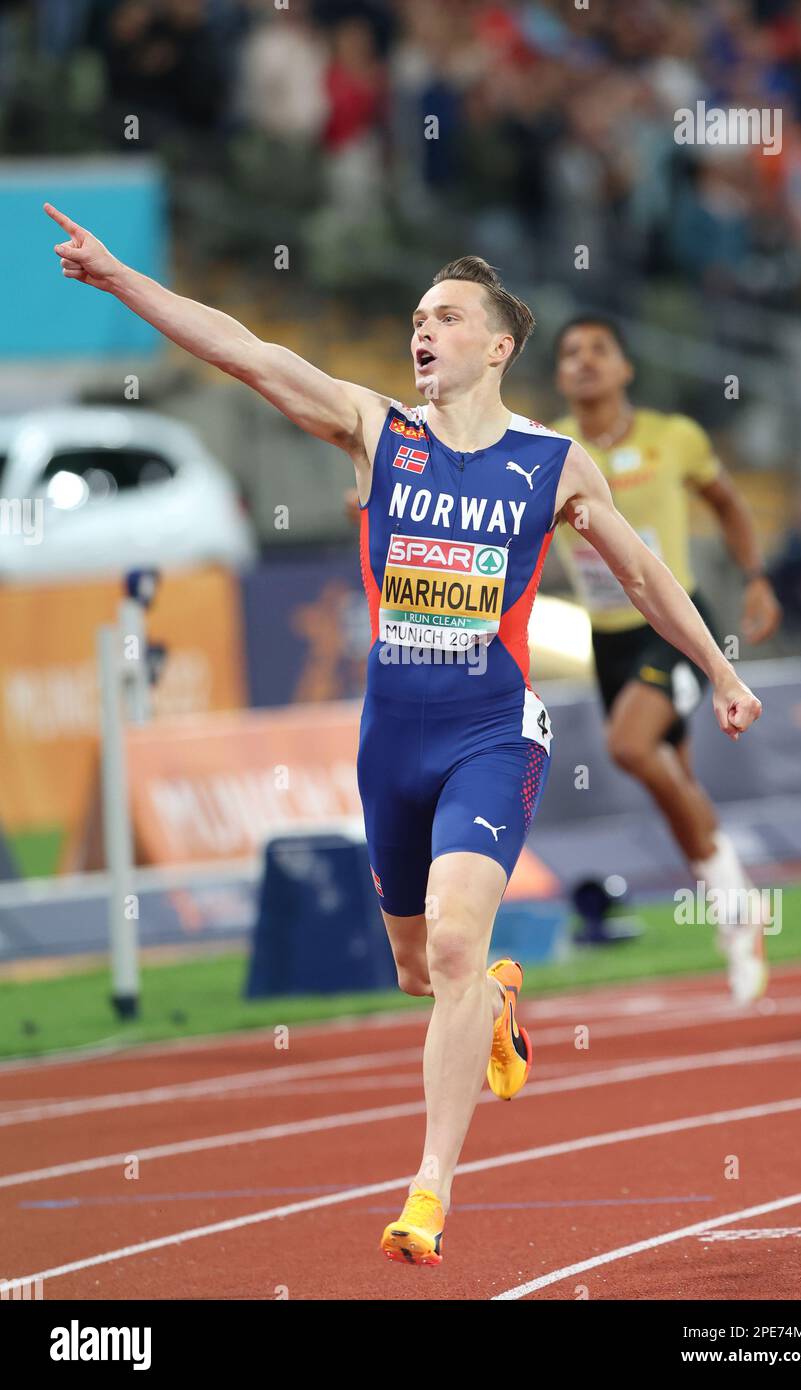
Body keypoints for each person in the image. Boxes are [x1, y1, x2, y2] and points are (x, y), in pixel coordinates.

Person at [45, 206, 762, 1265]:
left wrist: (718, 667)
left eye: (444, 317)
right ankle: (499, 1001)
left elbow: (644, 575)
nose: (419, 332)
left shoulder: (553, 464)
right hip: (392, 736)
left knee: (462, 942)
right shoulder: (377, 428)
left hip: (489, 729)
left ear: (497, 344)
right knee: (421, 970)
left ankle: (426, 1189)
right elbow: (241, 349)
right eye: (414, 317)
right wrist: (120, 281)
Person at [551, 315, 781, 1005]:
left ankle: (737, 900)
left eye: (599, 350)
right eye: (570, 354)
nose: (585, 362)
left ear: (626, 368)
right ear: (559, 375)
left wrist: (757, 577)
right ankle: (738, 920)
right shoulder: (547, 449)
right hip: (607, 639)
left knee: (628, 745)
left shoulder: (674, 437)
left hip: (677, 626)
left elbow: (729, 503)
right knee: (671, 778)